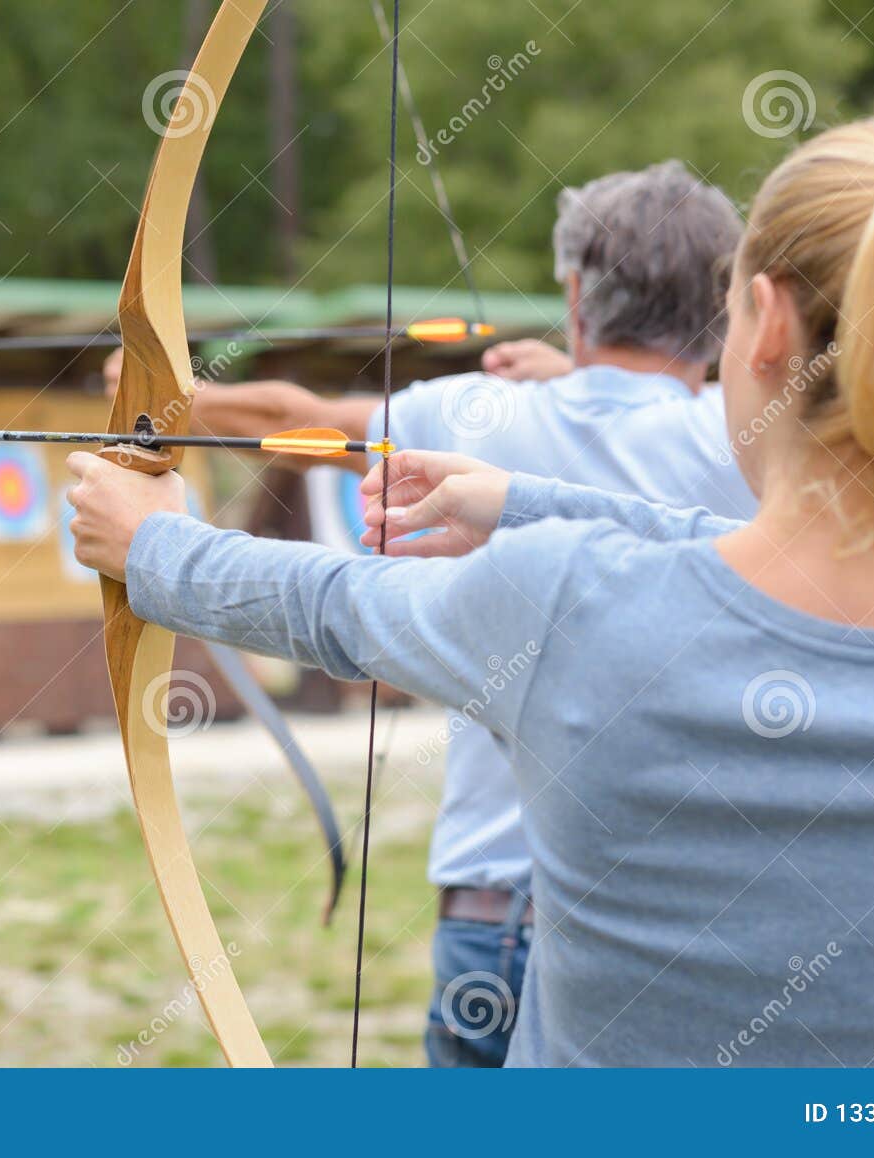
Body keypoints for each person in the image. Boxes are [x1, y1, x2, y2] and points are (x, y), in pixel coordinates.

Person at [67, 117, 874, 1066]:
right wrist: (523, 498)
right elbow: (815, 578)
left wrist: (153, 544)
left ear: (763, 326)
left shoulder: (567, 603)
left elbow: (333, 606)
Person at [105, 160, 752, 1066]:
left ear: (574, 293)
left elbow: (299, 423)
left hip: (499, 913)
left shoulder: (469, 414)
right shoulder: (755, 439)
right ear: (727, 310)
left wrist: (165, 397)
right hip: (685, 910)